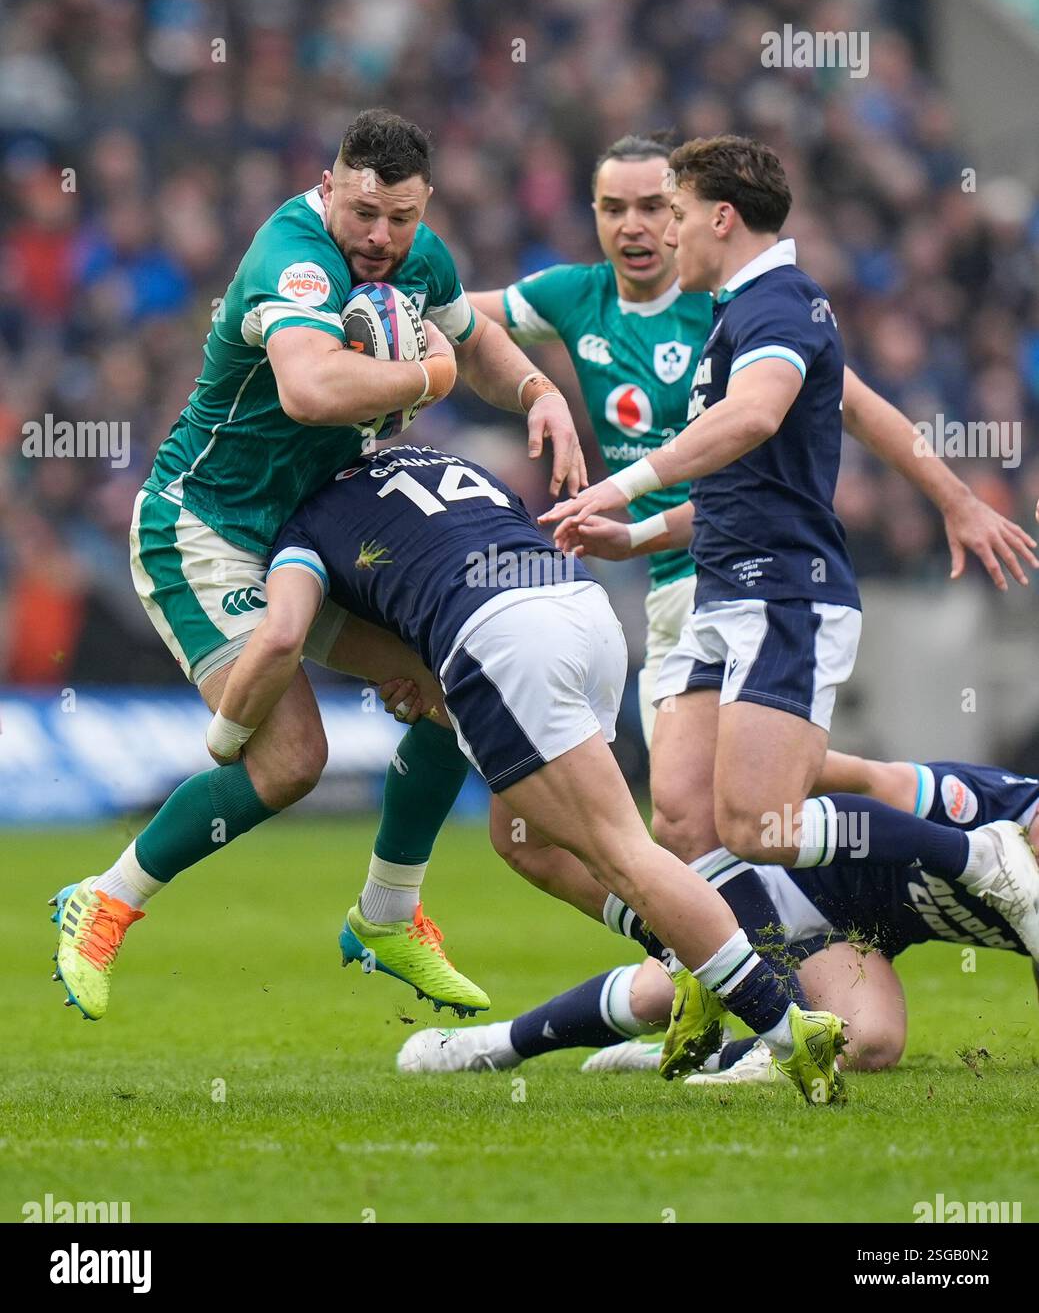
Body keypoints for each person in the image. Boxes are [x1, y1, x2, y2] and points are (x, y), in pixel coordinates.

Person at [49, 108, 586, 1023]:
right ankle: (105, 898)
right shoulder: (292, 257)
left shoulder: (420, 259)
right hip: (205, 527)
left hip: (311, 526)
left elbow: (477, 338)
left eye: (402, 218)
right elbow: (308, 389)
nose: (380, 238)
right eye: (365, 212)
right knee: (294, 758)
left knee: (459, 690)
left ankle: (386, 913)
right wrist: (429, 379)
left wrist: (538, 391)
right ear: (329, 186)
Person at [541, 136, 1039, 1072]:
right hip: (721, 588)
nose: (666, 231)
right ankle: (749, 1008)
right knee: (683, 817)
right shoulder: (738, 308)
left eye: (676, 212)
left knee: (756, 827)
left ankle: (976, 860)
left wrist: (623, 485)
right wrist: (639, 535)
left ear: (719, 218)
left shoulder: (780, 302)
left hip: (782, 594)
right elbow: (752, 469)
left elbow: (757, 417)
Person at [203, 440, 848, 1103]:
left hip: (503, 642)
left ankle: (785, 1029)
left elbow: (282, 636)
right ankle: (685, 958)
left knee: (621, 852)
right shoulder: (434, 458)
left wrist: (225, 735)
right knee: (526, 842)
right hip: (581, 611)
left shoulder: (300, 523)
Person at [397, 750, 1039, 1082]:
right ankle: (491, 1047)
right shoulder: (975, 805)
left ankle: (697, 1058)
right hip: (790, 879)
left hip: (856, 934)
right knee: (660, 989)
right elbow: (857, 777)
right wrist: (749, 790)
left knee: (869, 1044)